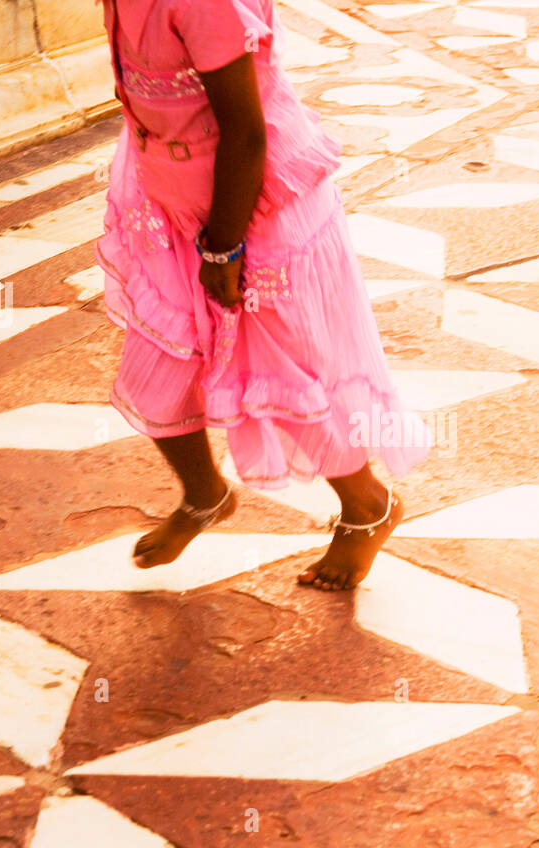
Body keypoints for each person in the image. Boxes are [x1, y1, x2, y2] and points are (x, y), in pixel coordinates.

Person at [96, 0, 429, 590]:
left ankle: (367, 505)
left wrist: (223, 248)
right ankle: (204, 496)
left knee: (287, 374)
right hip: (167, 205)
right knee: (159, 364)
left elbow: (246, 132)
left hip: (255, 214)